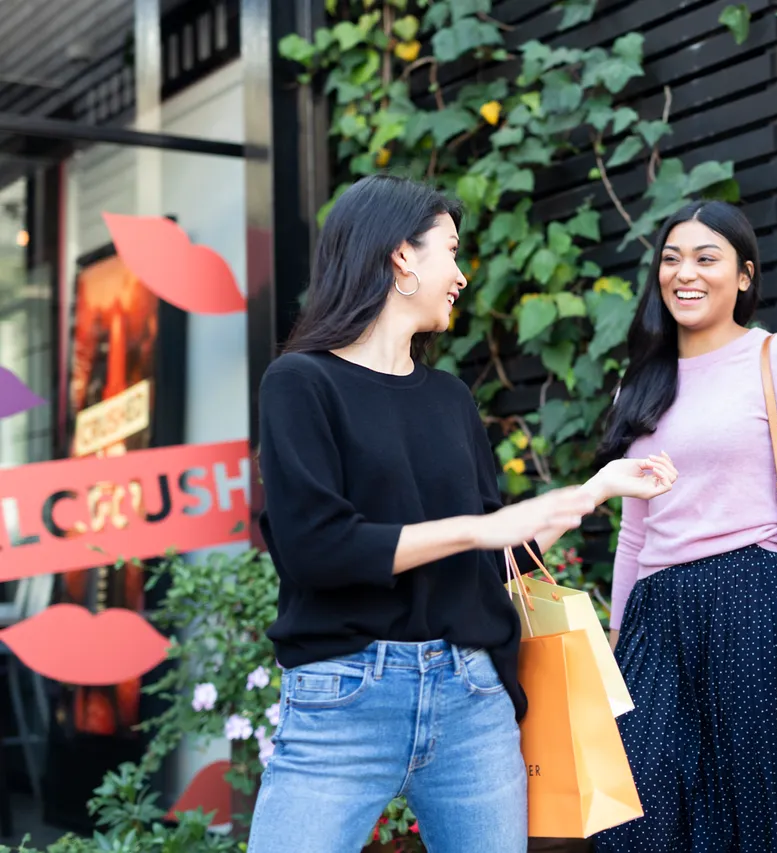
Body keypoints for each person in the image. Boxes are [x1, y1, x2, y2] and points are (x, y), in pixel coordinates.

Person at [246, 175, 678, 853]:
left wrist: (595, 490)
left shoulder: (449, 398)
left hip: (470, 696)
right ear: (401, 257)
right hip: (344, 696)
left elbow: (497, 556)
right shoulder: (300, 382)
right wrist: (479, 529)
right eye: (450, 251)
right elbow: (315, 549)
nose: (461, 275)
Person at [593, 200, 777, 853]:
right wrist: (617, 649)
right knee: (635, 821)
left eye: (706, 258)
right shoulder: (639, 383)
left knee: (756, 812)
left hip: (752, 601)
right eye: (672, 259)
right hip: (655, 614)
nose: (685, 273)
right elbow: (632, 531)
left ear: (744, 275)